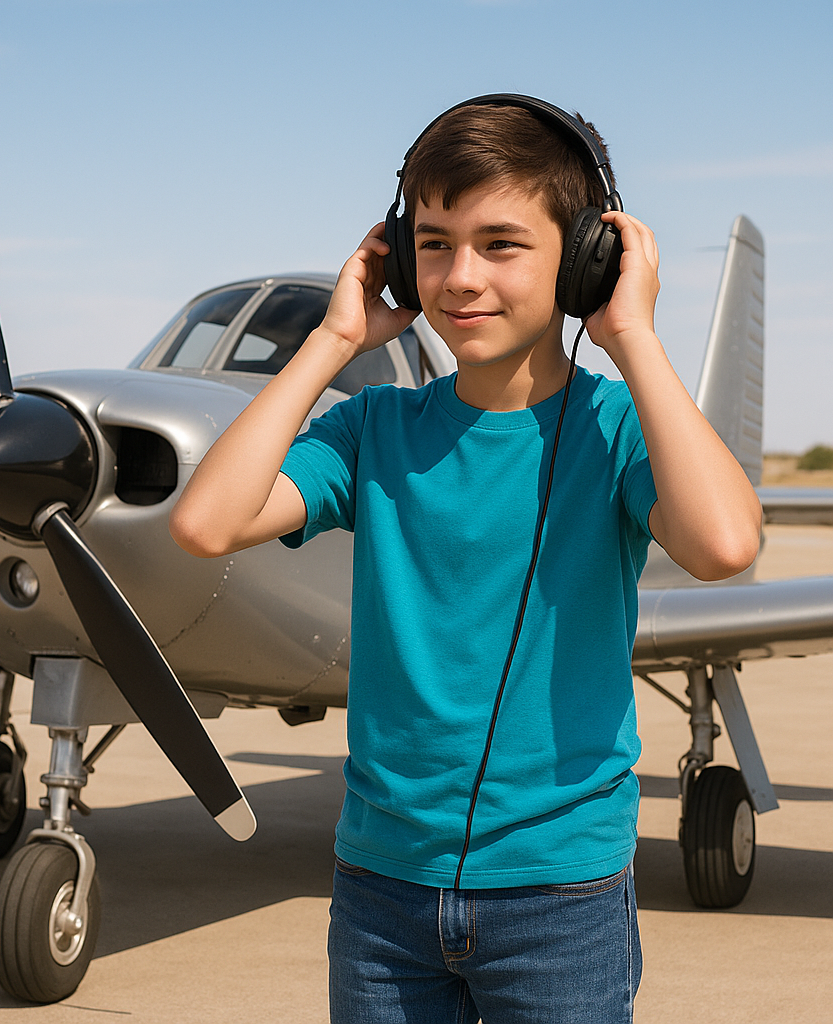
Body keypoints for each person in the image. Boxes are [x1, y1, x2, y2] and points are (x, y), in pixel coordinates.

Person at [169, 97, 761, 1023]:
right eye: (434, 245)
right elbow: (206, 524)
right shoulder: (371, 429)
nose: (461, 278)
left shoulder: (614, 429)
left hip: (560, 897)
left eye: (501, 244)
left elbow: (725, 544)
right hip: (382, 889)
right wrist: (332, 341)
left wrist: (633, 337)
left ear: (587, 261)